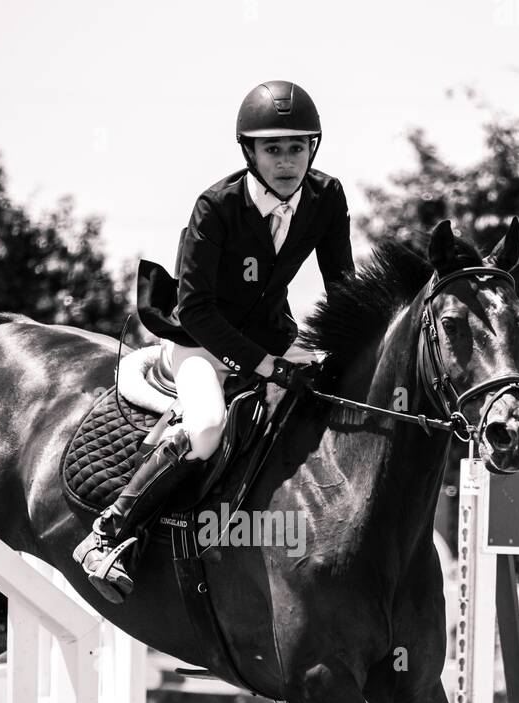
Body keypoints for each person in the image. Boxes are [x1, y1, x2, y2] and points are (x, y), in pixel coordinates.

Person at [74, 79, 355, 602]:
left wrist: (333, 351)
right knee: (205, 428)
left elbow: (343, 289)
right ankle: (109, 534)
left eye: (298, 147)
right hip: (198, 343)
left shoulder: (326, 197)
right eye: (273, 148)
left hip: (274, 336)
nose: (287, 161)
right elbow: (197, 308)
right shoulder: (216, 206)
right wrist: (265, 365)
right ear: (249, 151)